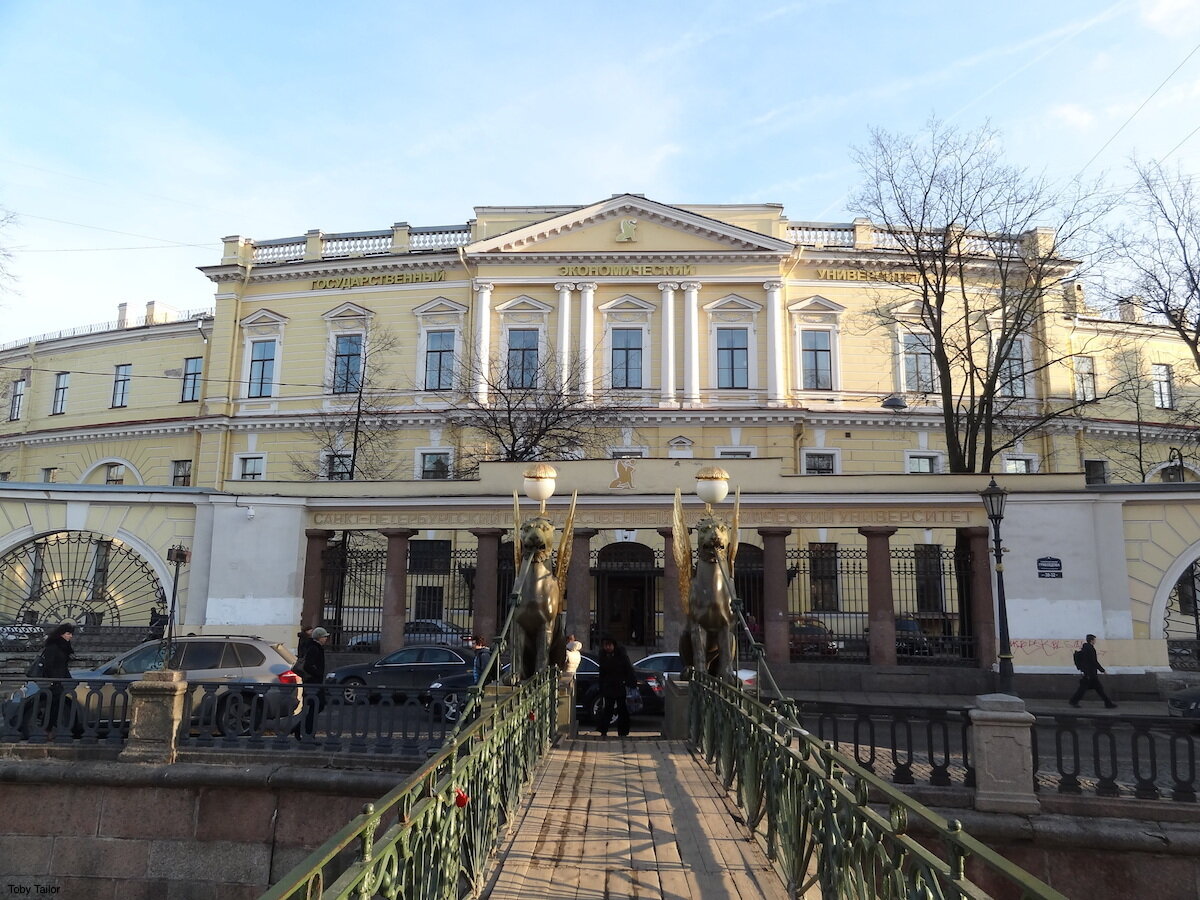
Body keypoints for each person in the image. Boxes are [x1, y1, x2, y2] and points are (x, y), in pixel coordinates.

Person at [596, 635, 636, 738]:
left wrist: (629, 683)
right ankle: (603, 730)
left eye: (609, 645)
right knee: (607, 710)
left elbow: (629, 670)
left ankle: (623, 732)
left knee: (622, 710)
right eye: (605, 645)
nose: (607, 647)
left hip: (620, 686)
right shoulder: (603, 656)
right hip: (608, 687)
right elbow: (602, 673)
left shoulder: (621, 656)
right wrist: (601, 687)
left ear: (613, 645)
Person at [40, 622, 75, 736]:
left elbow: (63, 666)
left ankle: (48, 729)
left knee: (56, 706)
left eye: (71, 634)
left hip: (60, 681)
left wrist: (68, 680)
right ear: (61, 634)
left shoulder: (64, 647)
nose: (70, 636)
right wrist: (52, 680)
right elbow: (49, 665)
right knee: (52, 706)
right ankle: (46, 729)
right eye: (68, 633)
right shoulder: (53, 646)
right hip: (54, 682)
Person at [293, 626, 329, 737]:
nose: (326, 639)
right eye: (324, 637)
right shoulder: (314, 648)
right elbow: (308, 665)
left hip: (312, 682)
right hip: (313, 682)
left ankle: (301, 729)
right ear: (319, 638)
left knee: (317, 706)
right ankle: (306, 732)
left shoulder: (314, 647)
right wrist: (317, 673)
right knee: (317, 705)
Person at [1069, 634, 1116, 709]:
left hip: (1088, 673)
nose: (1095, 641)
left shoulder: (1085, 648)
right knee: (1089, 689)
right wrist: (1102, 670)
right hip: (1090, 673)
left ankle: (1108, 703)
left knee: (1097, 689)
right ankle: (1073, 701)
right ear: (1091, 640)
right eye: (1094, 640)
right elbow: (1094, 661)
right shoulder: (1090, 649)